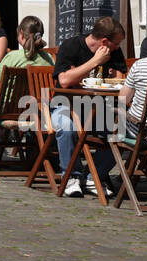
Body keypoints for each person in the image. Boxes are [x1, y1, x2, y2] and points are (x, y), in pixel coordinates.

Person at [51, 16, 126, 197]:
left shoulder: (114, 51)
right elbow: (64, 80)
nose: (118, 47)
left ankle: (95, 175)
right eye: (116, 43)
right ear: (105, 42)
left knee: (123, 131)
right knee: (67, 127)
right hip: (65, 104)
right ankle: (71, 176)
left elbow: (122, 78)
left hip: (98, 107)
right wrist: (95, 61)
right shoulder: (71, 46)